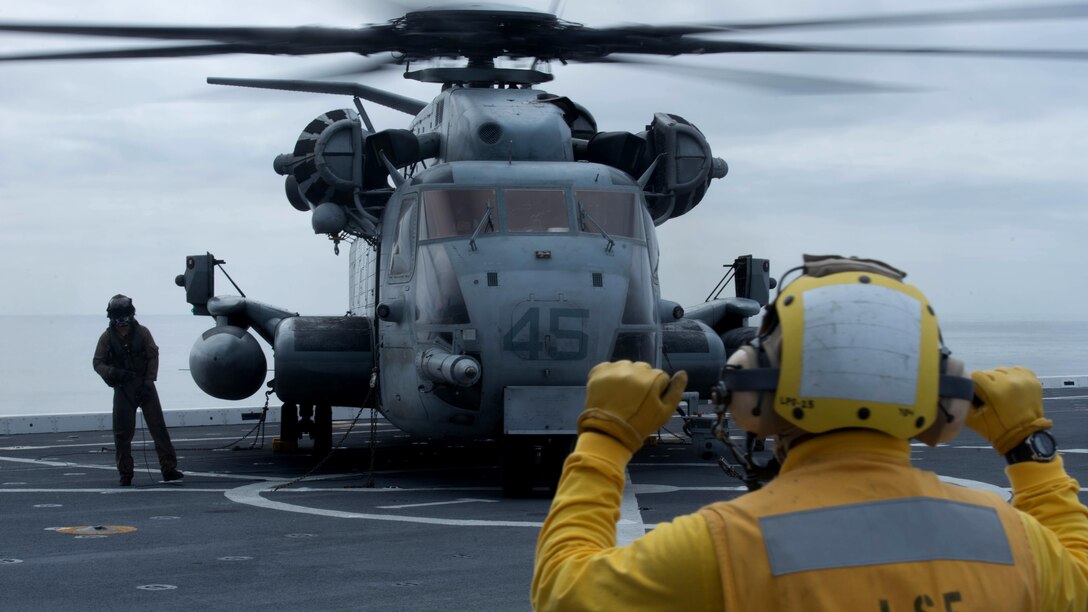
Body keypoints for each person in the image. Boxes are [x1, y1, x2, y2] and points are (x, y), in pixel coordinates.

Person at [532, 255, 1088, 611]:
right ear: (942, 395)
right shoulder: (1019, 542)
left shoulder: (720, 546)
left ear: (754, 393)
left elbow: (564, 594)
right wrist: (1027, 445)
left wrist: (605, 436)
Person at [92, 294, 183, 486]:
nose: (122, 321)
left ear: (131, 314)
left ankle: (169, 469)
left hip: (144, 386)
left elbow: (153, 356)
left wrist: (149, 382)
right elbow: (97, 363)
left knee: (158, 429)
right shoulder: (107, 338)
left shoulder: (143, 333)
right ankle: (125, 474)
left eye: (124, 315)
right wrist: (114, 373)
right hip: (123, 388)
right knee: (122, 433)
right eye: (118, 316)